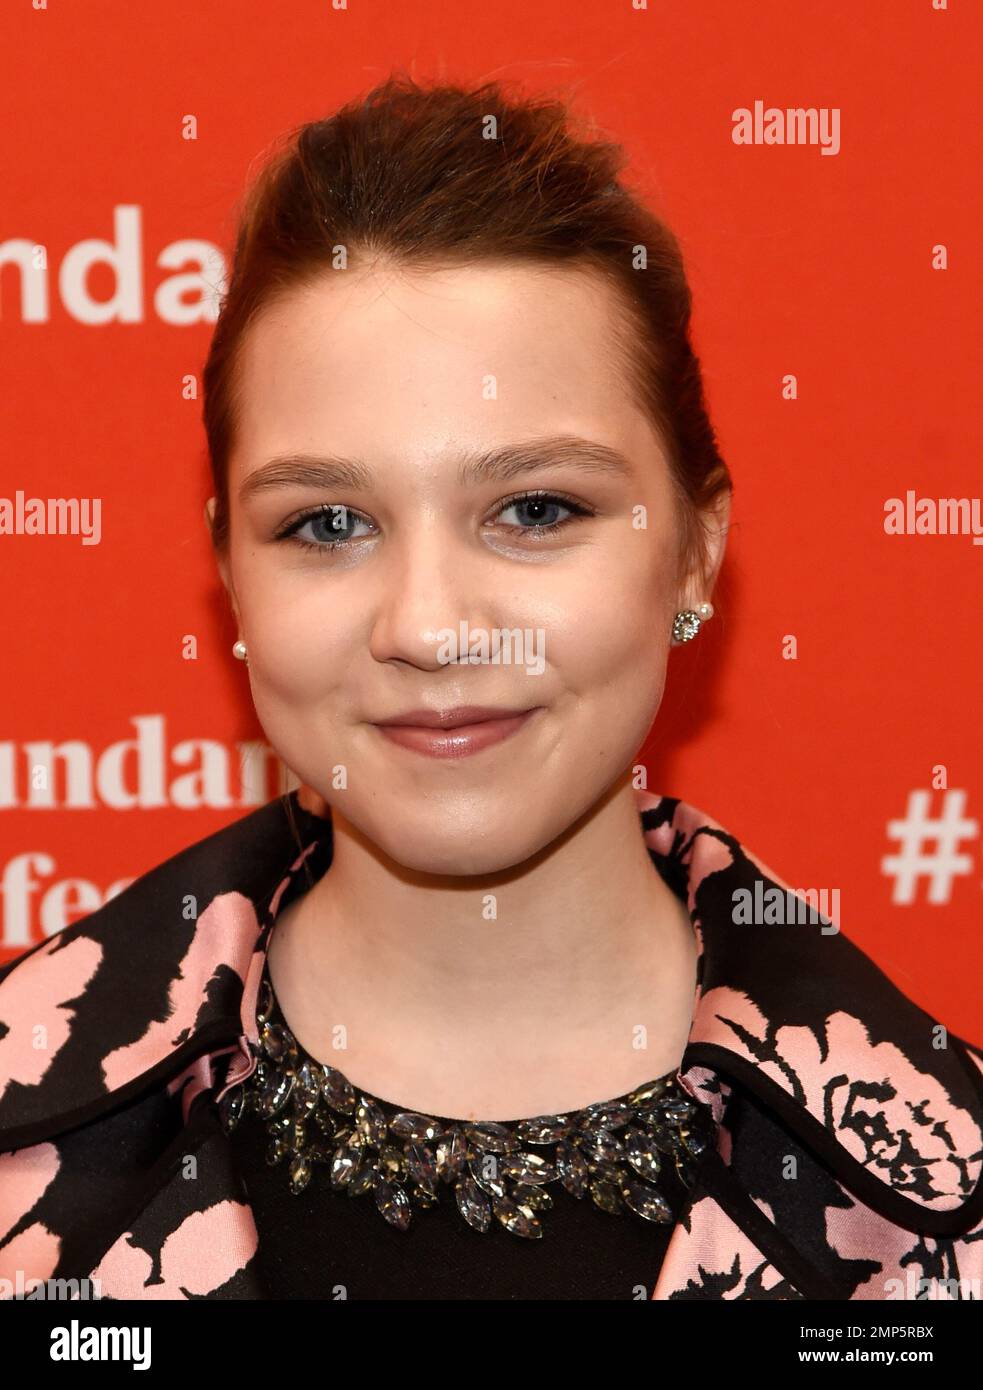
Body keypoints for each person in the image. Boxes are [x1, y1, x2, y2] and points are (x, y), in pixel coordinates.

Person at [1, 74, 981, 1303]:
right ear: (228, 576)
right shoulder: (20, 1139)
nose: (427, 625)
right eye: (326, 522)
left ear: (694, 547)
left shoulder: (946, 1192)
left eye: (533, 509)